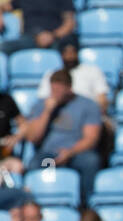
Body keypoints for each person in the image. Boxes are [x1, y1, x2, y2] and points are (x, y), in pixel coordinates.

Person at [19, 70, 102, 207]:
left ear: (69, 88)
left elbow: (91, 138)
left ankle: (86, 205)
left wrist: (70, 152)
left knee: (90, 161)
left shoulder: (87, 105)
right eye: (53, 89)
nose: (55, 94)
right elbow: (33, 137)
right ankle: (35, 204)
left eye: (59, 90)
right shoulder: (41, 105)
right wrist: (47, 112)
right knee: (35, 164)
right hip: (48, 156)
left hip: (75, 154)